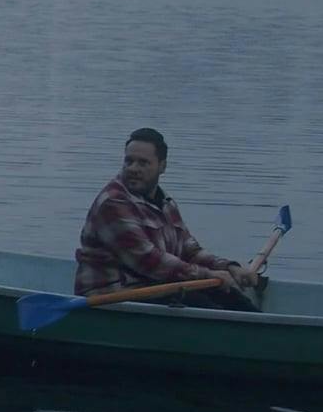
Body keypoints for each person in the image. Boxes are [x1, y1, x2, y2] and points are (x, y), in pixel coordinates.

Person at [75, 128, 262, 308]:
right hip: (111, 295)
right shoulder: (113, 203)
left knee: (228, 296)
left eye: (143, 163)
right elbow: (150, 261)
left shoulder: (165, 203)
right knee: (201, 304)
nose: (133, 168)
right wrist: (208, 275)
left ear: (162, 166)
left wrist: (230, 268)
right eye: (129, 161)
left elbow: (190, 251)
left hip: (153, 287)